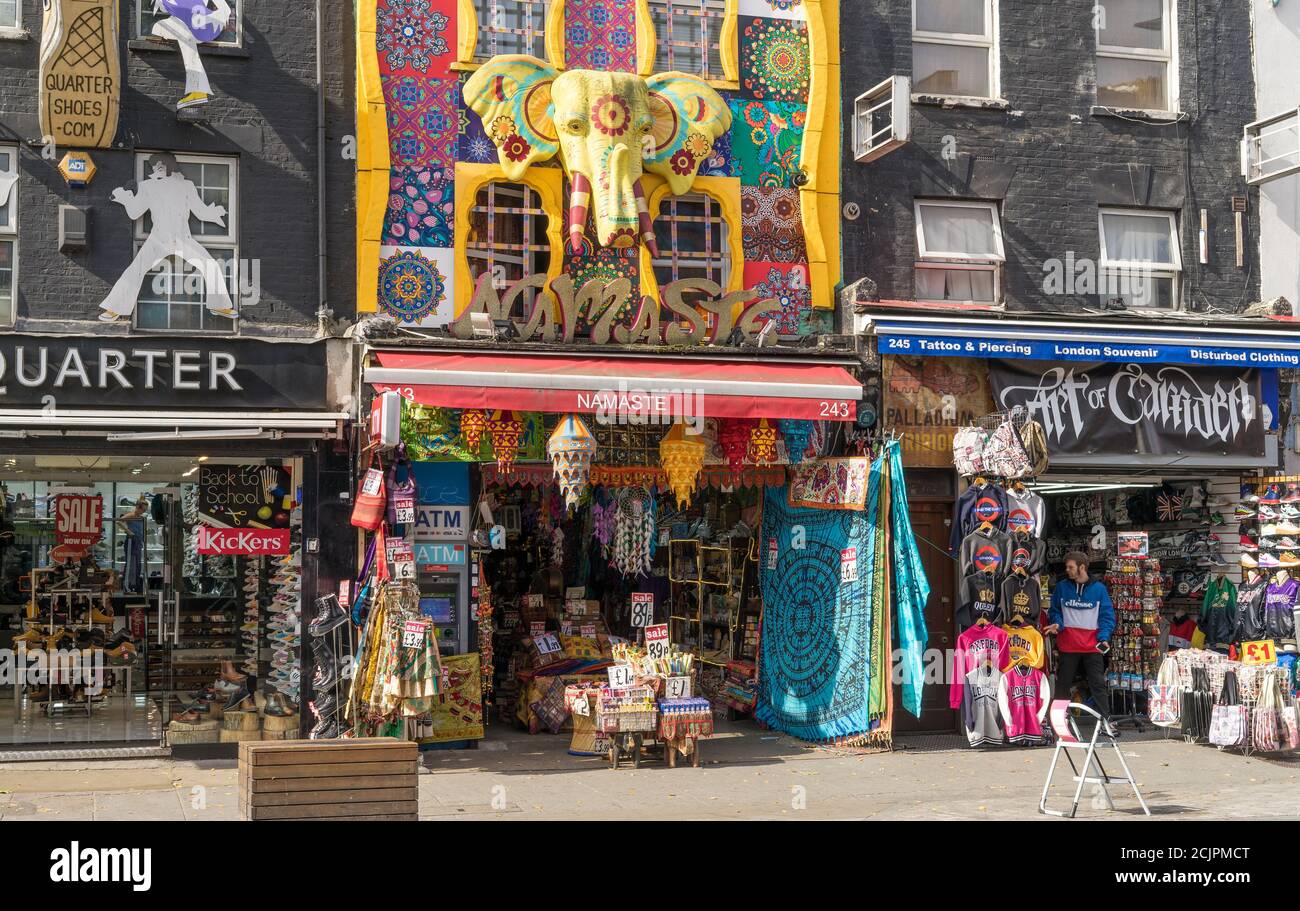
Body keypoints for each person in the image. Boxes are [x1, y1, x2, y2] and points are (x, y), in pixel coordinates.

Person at [98, 152, 237, 322]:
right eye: (155, 164)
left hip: (183, 238)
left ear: (170, 165)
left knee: (210, 265)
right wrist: (126, 198)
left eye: (162, 163)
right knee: (136, 269)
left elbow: (200, 211)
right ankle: (115, 308)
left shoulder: (186, 185)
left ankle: (219, 305)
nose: (158, 167)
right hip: (158, 239)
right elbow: (135, 213)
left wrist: (214, 213)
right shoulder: (147, 186)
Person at [1044, 551, 1117, 734]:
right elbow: (1055, 611)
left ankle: (1105, 722)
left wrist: (1104, 637)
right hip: (1068, 646)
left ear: (1082, 567)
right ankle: (1058, 723)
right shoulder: (1061, 587)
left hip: (1092, 647)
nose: (1067, 570)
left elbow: (1107, 616)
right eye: (1067, 567)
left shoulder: (1099, 589)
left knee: (1098, 685)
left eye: (1070, 567)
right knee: (1062, 686)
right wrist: (1057, 624)